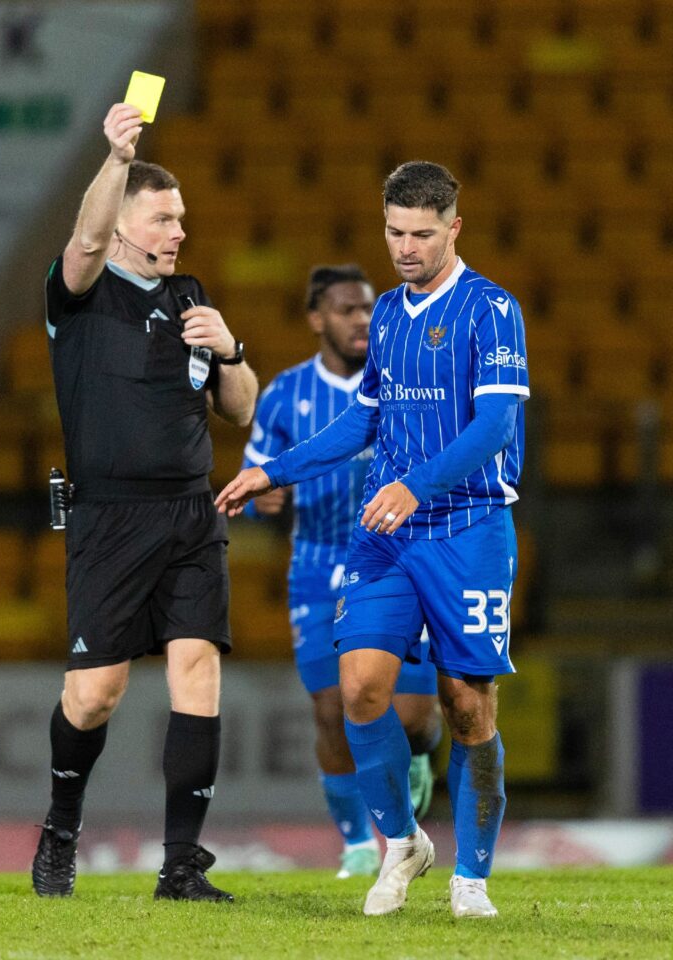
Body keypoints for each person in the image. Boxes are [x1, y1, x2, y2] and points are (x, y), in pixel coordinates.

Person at [216, 161, 529, 919]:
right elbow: (365, 419)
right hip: (385, 536)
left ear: (455, 228)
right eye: (395, 232)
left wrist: (416, 484)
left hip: (469, 528)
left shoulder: (491, 310)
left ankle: (472, 879)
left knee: (464, 706)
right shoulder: (387, 313)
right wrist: (271, 471)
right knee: (358, 688)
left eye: (423, 234)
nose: (406, 248)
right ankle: (402, 844)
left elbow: (495, 426)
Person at [33, 103, 258, 903]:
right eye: (163, 216)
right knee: (96, 693)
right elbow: (86, 240)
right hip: (111, 516)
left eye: (182, 218)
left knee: (197, 671)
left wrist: (229, 349)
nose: (178, 231)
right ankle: (62, 826)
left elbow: (241, 408)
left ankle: (180, 867)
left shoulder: (190, 295)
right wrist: (115, 158)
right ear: (125, 224)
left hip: (192, 513)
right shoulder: (81, 294)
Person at [241, 264, 441, 879]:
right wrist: (262, 499)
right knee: (332, 710)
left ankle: (417, 752)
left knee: (407, 719)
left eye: (367, 309)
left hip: (399, 561)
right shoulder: (284, 393)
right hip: (317, 566)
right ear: (316, 318)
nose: (360, 320)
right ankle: (357, 844)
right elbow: (257, 475)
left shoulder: (409, 383)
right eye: (346, 310)